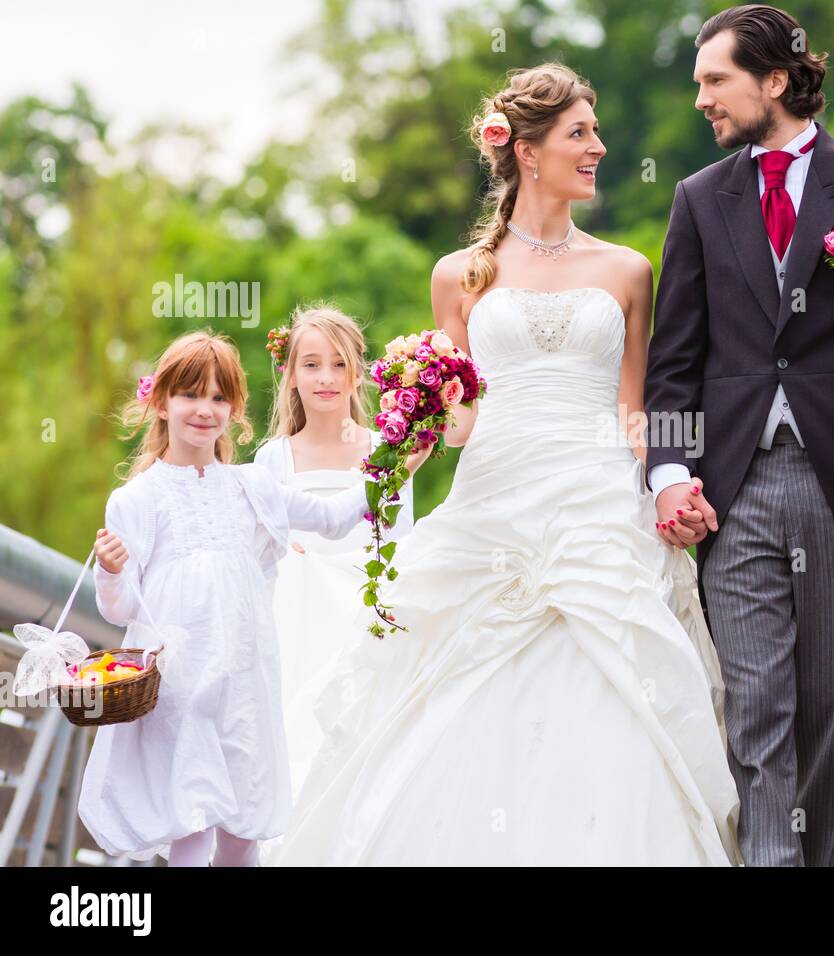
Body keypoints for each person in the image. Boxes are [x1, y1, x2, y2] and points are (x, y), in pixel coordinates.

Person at [274, 63, 741, 866]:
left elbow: (637, 414)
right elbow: (460, 428)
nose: (598, 146)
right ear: (526, 150)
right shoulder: (459, 277)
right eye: (580, 133)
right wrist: (412, 419)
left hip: (599, 506)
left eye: (593, 130)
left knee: (613, 701)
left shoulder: (628, 270)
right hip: (492, 503)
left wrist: (672, 485)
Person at [644, 4, 834, 865]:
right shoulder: (699, 201)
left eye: (714, 80)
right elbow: (674, 363)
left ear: (774, 80)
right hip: (733, 494)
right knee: (756, 713)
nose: (701, 98)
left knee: (832, 723)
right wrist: (668, 472)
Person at [82, 330, 432, 866]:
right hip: (183, 689)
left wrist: (397, 467)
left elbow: (336, 518)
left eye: (220, 398)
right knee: (193, 825)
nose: (205, 410)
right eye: (191, 395)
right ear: (160, 402)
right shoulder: (136, 500)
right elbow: (123, 610)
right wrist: (110, 572)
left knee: (244, 836)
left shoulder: (251, 487)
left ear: (236, 410)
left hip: (246, 685)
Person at [252, 304, 414, 811]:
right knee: (295, 744)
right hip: (294, 624)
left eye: (339, 364)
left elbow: (399, 542)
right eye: (312, 364)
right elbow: (263, 550)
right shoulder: (272, 459)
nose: (326, 378)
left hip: (363, 618)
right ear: (291, 374)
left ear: (358, 372)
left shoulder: (388, 447)